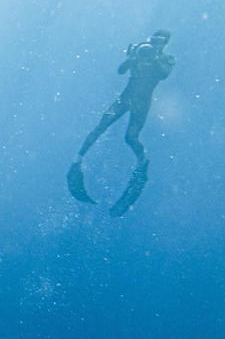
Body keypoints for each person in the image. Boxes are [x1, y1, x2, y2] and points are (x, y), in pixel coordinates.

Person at [68, 30, 175, 216]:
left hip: (141, 103)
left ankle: (142, 162)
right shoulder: (140, 51)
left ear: (164, 43)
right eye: (153, 40)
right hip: (125, 99)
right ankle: (77, 159)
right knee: (101, 126)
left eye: (159, 41)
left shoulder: (166, 59)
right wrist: (132, 58)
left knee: (131, 137)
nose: (154, 44)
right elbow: (121, 70)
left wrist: (155, 58)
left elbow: (164, 75)